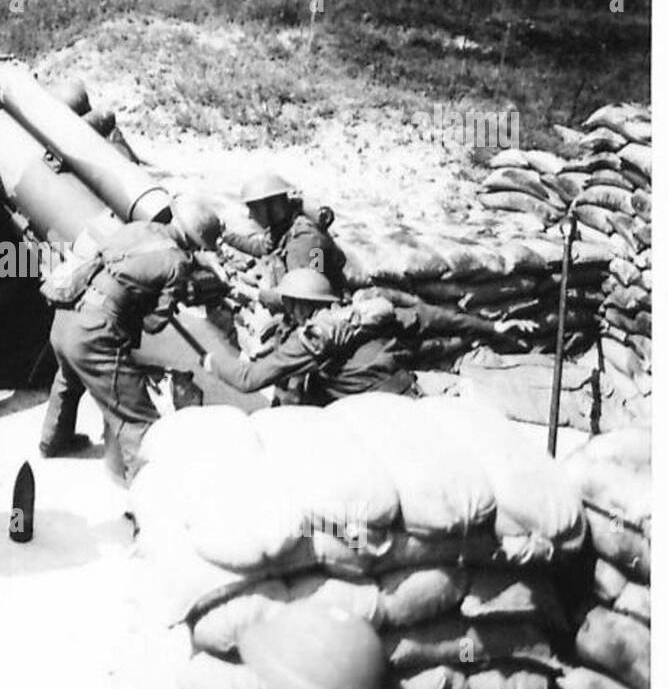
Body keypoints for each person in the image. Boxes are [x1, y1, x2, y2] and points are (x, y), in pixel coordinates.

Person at [38, 195, 223, 485]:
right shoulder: (178, 262)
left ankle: (53, 442)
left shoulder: (137, 228)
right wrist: (183, 292)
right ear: (197, 242)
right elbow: (153, 324)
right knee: (135, 418)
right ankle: (146, 489)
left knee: (68, 380)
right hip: (93, 334)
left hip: (65, 319)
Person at [201, 268, 537, 405]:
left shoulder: (313, 338)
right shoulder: (366, 313)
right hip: (411, 393)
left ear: (301, 306)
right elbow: (434, 317)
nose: (286, 311)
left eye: (289, 305)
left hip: (378, 415)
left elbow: (248, 380)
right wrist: (492, 327)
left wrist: (210, 359)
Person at [226, 170, 347, 311]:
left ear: (271, 207)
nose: (250, 216)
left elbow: (307, 298)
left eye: (254, 209)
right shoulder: (282, 227)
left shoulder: (306, 242)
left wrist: (254, 294)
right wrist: (228, 237)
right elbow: (262, 247)